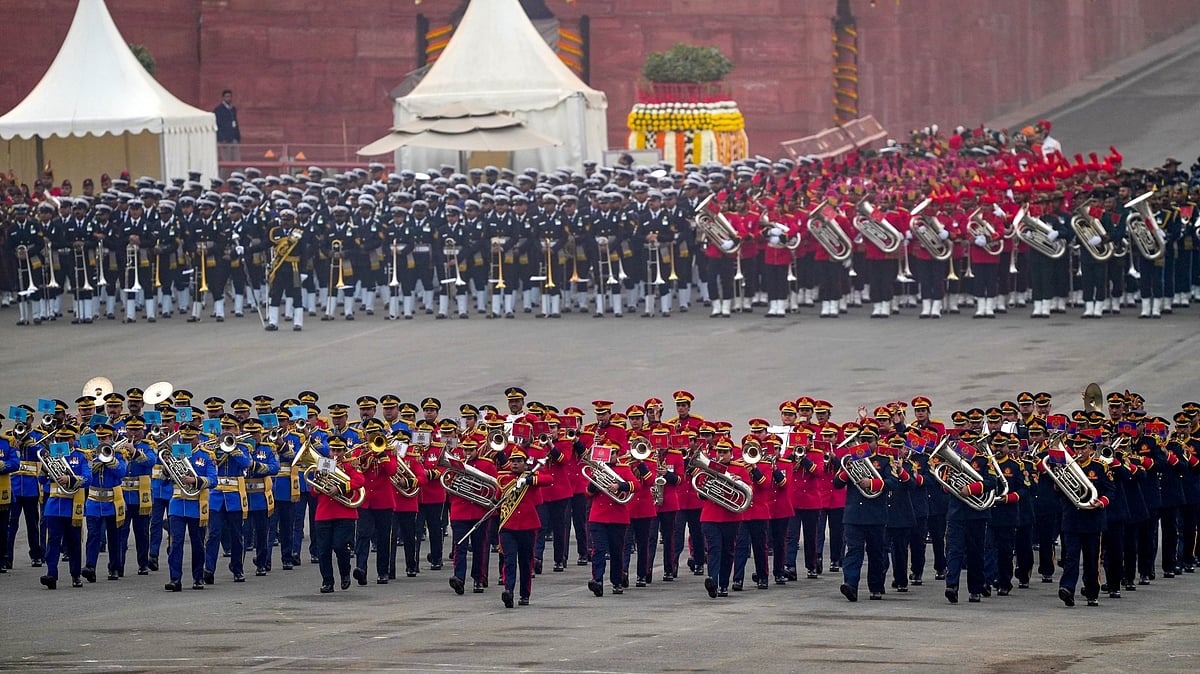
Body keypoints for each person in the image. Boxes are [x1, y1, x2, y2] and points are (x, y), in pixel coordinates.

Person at [164, 423, 217, 591]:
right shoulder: (176, 454)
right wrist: (167, 466)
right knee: (175, 542)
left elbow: (213, 480)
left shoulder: (206, 456)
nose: (186, 442)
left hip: (197, 504)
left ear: (197, 438)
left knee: (198, 543)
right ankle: (175, 579)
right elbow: (165, 478)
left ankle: (198, 577)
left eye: (190, 439)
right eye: (184, 439)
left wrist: (195, 480)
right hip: (177, 504)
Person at [496, 448, 551, 607]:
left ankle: (524, 594)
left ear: (525, 464)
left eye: (519, 461)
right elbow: (498, 499)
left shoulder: (531, 477)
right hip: (508, 525)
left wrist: (529, 480)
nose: (515, 464)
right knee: (509, 560)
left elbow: (548, 479)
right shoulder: (503, 479)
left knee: (526, 562)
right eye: (513, 461)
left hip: (528, 526)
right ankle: (508, 591)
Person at [314, 437, 365, 593]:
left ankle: (345, 574)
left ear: (344, 451)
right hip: (324, 513)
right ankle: (327, 581)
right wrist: (317, 483)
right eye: (333, 450)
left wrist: (340, 488)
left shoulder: (350, 464)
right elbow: (314, 491)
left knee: (340, 546)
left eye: (338, 450)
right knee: (323, 550)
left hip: (344, 513)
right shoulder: (324, 464)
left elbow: (360, 480)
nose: (335, 453)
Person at [215, 90, 241, 162]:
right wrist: (221, 138)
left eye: (230, 96)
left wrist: (237, 136)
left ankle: (238, 170)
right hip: (225, 140)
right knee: (226, 161)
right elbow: (217, 125)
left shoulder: (233, 109)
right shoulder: (218, 110)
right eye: (226, 96)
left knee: (237, 160)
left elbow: (235, 123)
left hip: (234, 138)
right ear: (223, 98)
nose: (228, 98)